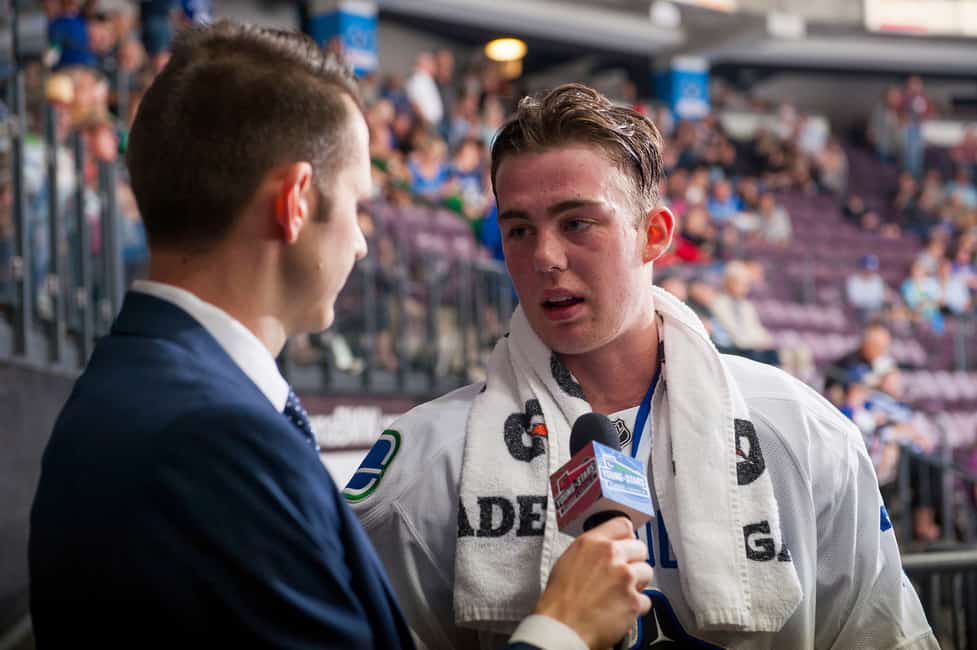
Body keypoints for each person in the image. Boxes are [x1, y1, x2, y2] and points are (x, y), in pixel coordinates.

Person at [28, 24, 651, 650]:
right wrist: (563, 628)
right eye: (356, 205)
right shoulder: (210, 437)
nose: (361, 240)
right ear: (296, 201)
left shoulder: (145, 389)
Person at [348, 83, 937, 650]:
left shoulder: (804, 432)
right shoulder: (427, 463)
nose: (545, 257)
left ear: (653, 234)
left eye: (577, 223)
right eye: (520, 230)